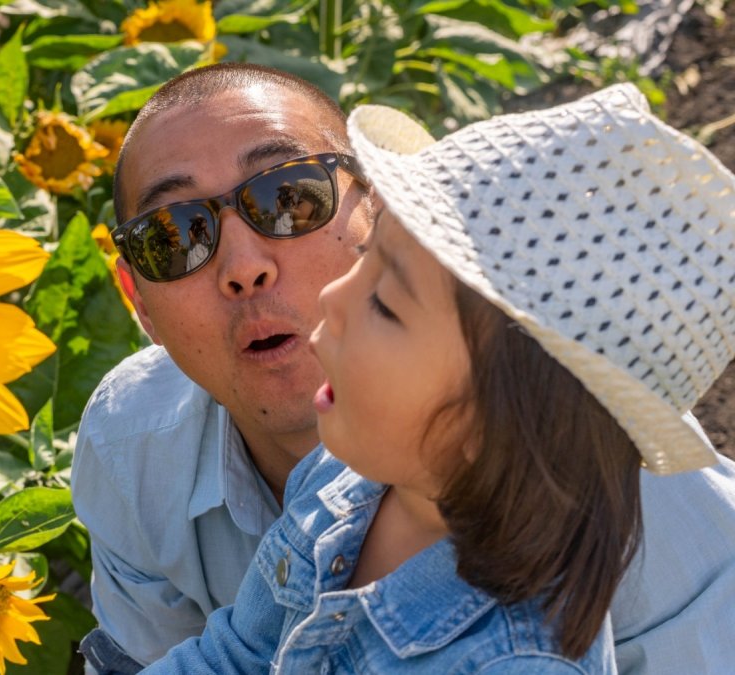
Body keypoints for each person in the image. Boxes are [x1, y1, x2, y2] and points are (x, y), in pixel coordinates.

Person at [71, 63, 735, 674]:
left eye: (289, 195)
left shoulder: (657, 519)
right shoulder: (329, 484)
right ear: (139, 304)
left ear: (373, 209)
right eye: (175, 235)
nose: (245, 266)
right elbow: (232, 652)